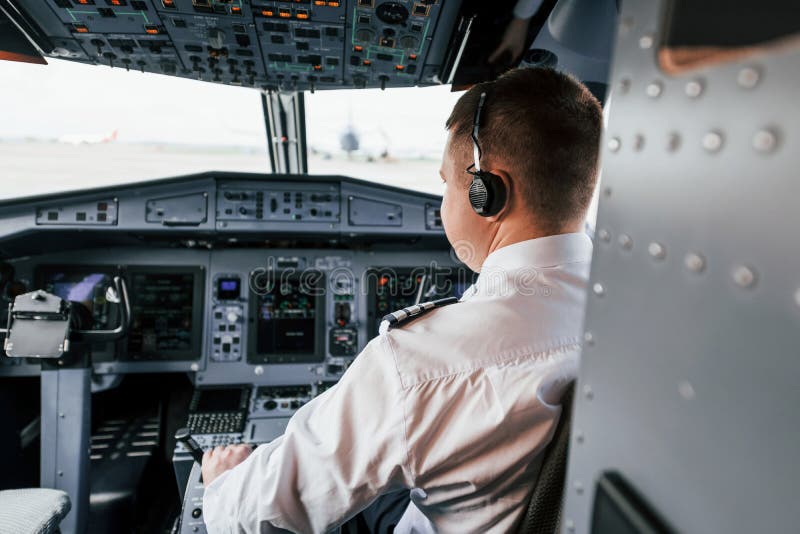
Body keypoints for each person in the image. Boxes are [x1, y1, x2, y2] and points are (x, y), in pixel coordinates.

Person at [201, 67, 603, 533]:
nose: (442, 203)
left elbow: (264, 510)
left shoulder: (420, 362)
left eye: (446, 184)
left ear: (486, 194)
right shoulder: (631, 306)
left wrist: (223, 485)